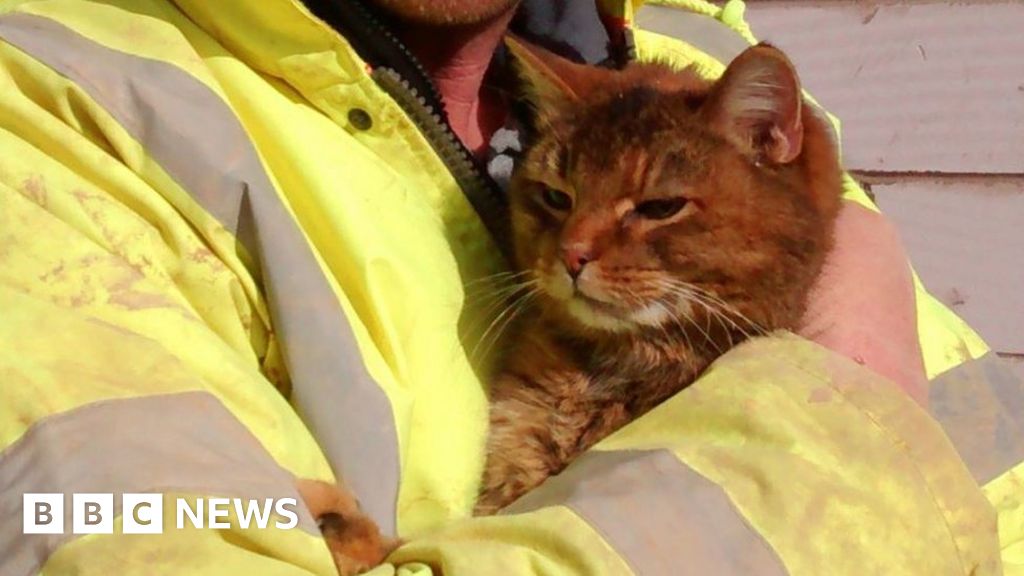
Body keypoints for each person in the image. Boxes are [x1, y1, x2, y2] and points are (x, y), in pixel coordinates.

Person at [0, 0, 1019, 574]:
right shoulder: (48, 102)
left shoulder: (683, 51)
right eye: (556, 207)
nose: (572, 251)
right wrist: (844, 394)